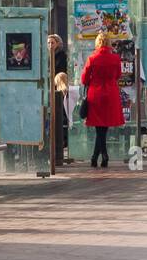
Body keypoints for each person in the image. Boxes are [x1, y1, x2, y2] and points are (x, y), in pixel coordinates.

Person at [79, 31, 124, 168]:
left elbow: (84, 79)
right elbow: (118, 75)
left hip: (96, 94)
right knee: (103, 128)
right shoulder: (116, 58)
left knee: (100, 128)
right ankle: (98, 156)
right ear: (109, 43)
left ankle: (100, 156)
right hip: (111, 93)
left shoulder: (92, 58)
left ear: (97, 43)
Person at [48, 34, 69, 163]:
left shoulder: (61, 56)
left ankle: (62, 140)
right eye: (49, 43)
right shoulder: (46, 57)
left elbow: (60, 70)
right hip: (49, 87)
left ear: (58, 44)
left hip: (58, 87)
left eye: (52, 43)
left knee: (60, 114)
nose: (50, 45)